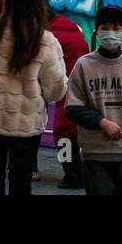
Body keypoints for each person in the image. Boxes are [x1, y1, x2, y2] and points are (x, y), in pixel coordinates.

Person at [0, 0, 66, 195]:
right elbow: (56, 89)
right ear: (36, 3)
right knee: (21, 183)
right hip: (24, 123)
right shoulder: (44, 40)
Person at [65, 5, 122, 196]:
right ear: (96, 31)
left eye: (116, 29)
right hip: (95, 152)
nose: (110, 33)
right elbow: (72, 108)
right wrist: (101, 122)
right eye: (105, 28)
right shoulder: (83, 65)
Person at [48, 11, 90, 188]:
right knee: (72, 131)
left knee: (62, 133)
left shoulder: (51, 35)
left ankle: (72, 174)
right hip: (82, 84)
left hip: (67, 86)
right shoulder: (72, 29)